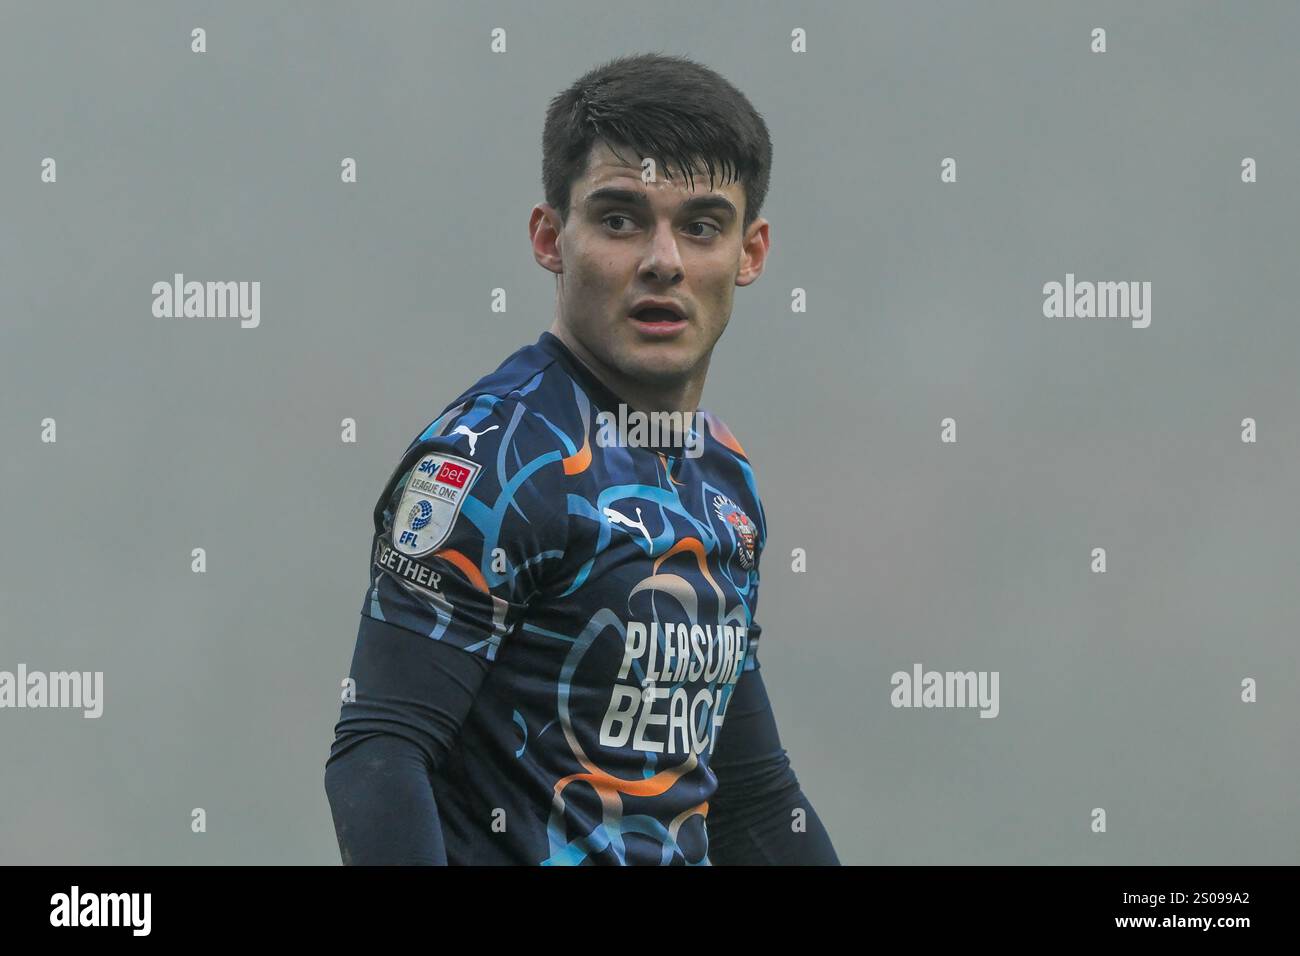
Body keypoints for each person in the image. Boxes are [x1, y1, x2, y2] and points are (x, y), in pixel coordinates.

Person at [324, 52, 838, 866]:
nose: (663, 259)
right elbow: (381, 753)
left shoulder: (721, 475)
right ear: (549, 238)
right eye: (620, 219)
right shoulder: (493, 457)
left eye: (700, 225)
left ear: (751, 252)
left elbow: (753, 800)